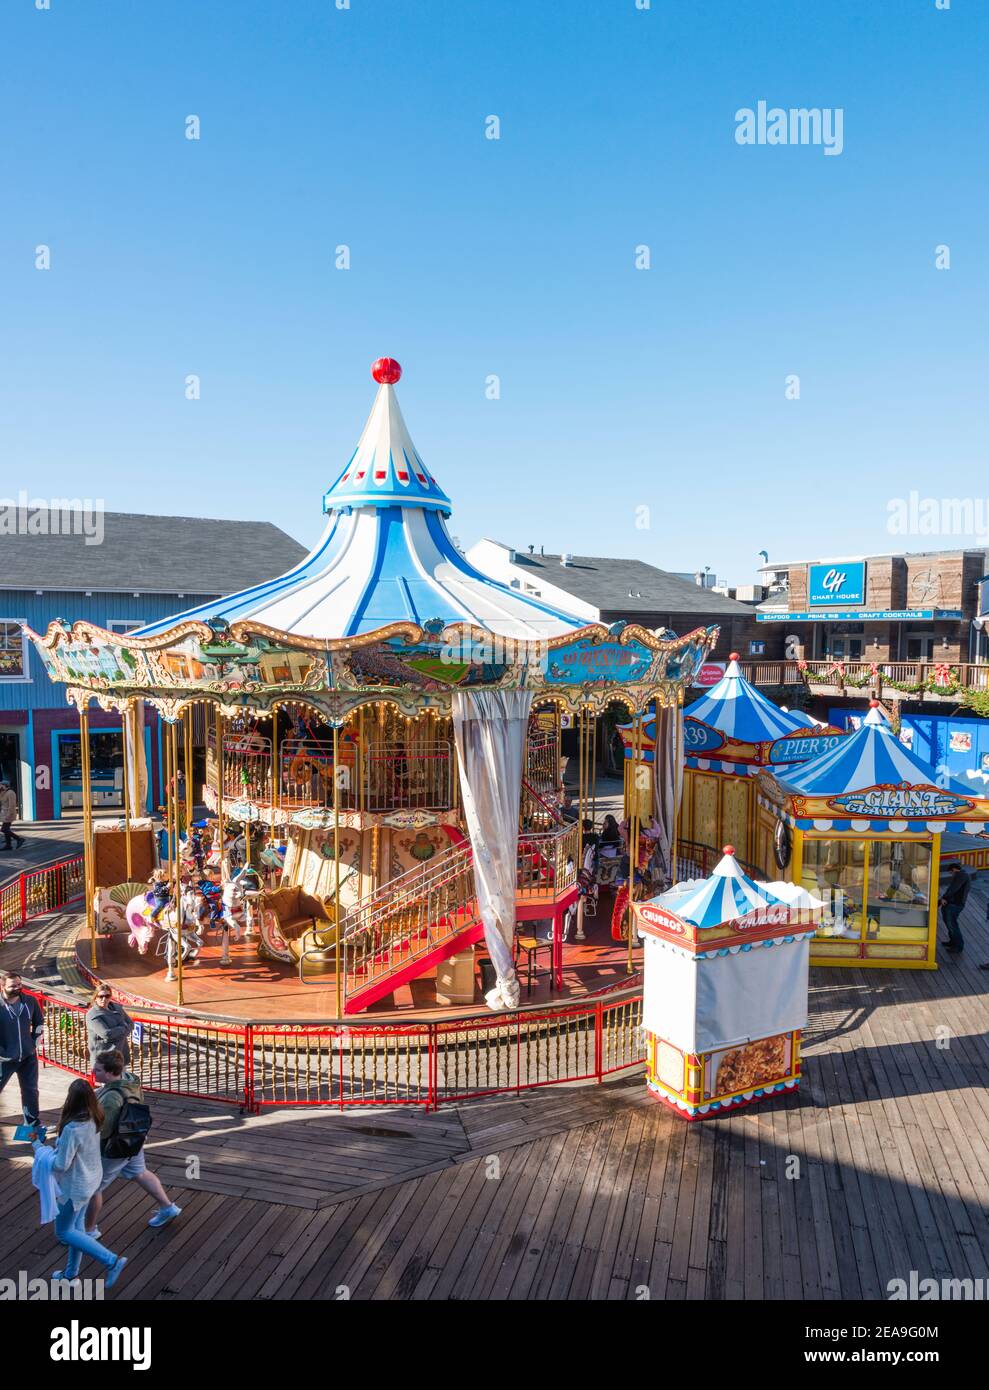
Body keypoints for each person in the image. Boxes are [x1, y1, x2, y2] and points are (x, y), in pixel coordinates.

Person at [39, 1077, 127, 1286]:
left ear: (70, 1100)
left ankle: (112, 1261)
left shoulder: (72, 1128)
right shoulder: (95, 1117)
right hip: (90, 1180)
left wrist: (41, 1151)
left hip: (75, 1186)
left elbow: (61, 1165)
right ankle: (71, 1275)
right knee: (77, 1230)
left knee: (64, 1232)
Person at [85, 1048, 181, 1236]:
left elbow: (104, 1131)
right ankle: (167, 1207)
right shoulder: (130, 1079)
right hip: (134, 1137)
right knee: (140, 1172)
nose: (93, 1072)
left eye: (97, 1070)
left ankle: (88, 1230)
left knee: (93, 1187)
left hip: (116, 1147)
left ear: (110, 1073)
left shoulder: (112, 1097)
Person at [0, 970, 44, 1130]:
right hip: (3, 1060)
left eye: (20, 984)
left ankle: (32, 1125)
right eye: (13, 985)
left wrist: (33, 1044)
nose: (18, 987)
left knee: (31, 1091)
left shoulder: (30, 1001)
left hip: (28, 1057)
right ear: (3, 986)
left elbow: (39, 1024)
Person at [85, 986, 134, 1072]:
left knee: (122, 1082)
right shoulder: (92, 1015)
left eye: (107, 996)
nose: (104, 999)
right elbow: (106, 1034)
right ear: (95, 998)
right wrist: (122, 1029)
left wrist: (119, 1032)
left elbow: (130, 1024)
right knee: (109, 1084)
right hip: (105, 1058)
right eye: (101, 996)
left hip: (120, 1054)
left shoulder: (117, 1008)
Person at [939, 862, 971, 953]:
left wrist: (944, 898)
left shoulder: (961, 876)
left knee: (952, 925)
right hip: (954, 903)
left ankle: (958, 946)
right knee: (950, 924)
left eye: (951, 872)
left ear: (954, 869)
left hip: (955, 904)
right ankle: (953, 942)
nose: (951, 874)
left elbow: (954, 888)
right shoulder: (962, 875)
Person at [0, 779, 25, 852]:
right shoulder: (3, 792)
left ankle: (19, 839)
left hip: (9, 814)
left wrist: (8, 815)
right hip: (4, 814)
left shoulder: (11, 793)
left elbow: (12, 805)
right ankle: (8, 845)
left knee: (4, 829)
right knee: (6, 829)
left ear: (5, 785)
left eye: (1, 784)